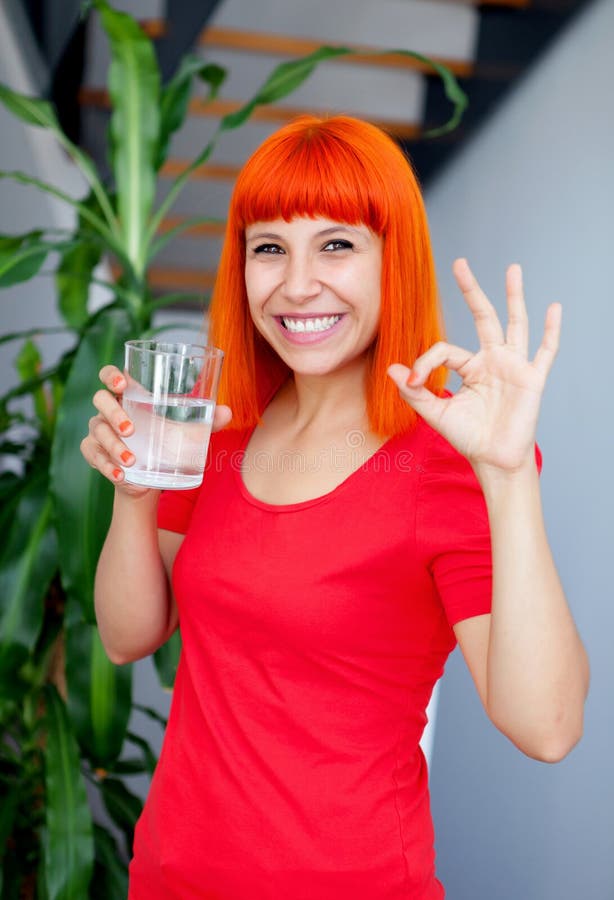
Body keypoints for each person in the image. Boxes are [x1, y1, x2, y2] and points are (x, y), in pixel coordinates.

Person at [81, 115, 589, 899]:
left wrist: (509, 474)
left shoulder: (447, 462)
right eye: (270, 248)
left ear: (396, 262)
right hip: (169, 879)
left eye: (338, 245)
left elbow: (546, 728)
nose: (296, 285)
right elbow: (127, 637)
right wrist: (133, 494)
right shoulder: (216, 430)